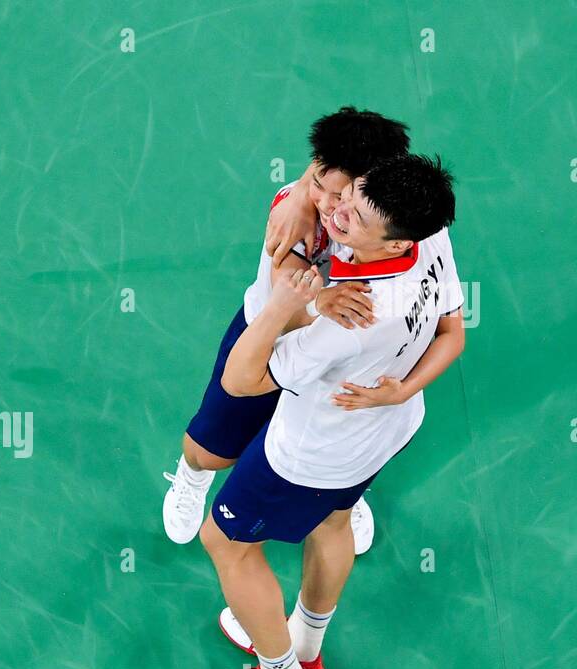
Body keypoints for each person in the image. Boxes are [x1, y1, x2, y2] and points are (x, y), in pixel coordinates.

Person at [195, 154, 464, 669]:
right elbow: (452, 331)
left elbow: (242, 381)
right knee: (333, 522)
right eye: (347, 196)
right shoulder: (430, 234)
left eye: (352, 219)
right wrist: (404, 390)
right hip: (384, 426)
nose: (335, 211)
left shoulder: (351, 316)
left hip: (309, 454)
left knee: (225, 542)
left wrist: (285, 306)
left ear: (391, 243)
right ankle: (306, 645)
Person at [164, 107, 411, 554]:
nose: (326, 203)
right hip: (267, 343)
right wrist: (319, 300)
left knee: (339, 447)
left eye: (341, 196)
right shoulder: (294, 210)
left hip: (332, 363)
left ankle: (342, 504)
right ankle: (190, 475)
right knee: (213, 451)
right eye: (317, 183)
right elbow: (286, 286)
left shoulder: (391, 219)